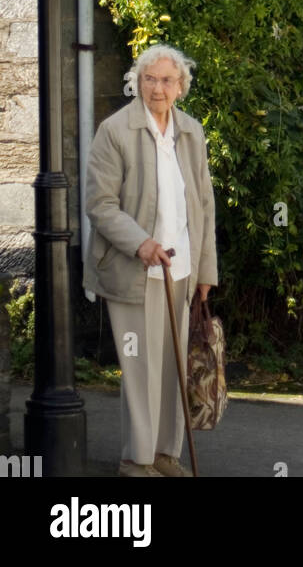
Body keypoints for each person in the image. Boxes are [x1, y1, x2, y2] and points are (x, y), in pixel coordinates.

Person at [83, 43, 218, 477]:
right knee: (140, 367)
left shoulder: (191, 132)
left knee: (172, 368)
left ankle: (165, 454)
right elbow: (100, 205)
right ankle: (135, 459)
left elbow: (204, 205)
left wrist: (205, 271)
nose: (157, 89)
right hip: (134, 271)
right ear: (137, 82)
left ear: (181, 87)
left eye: (166, 81)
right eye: (149, 79)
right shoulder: (115, 130)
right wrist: (141, 244)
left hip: (179, 270)